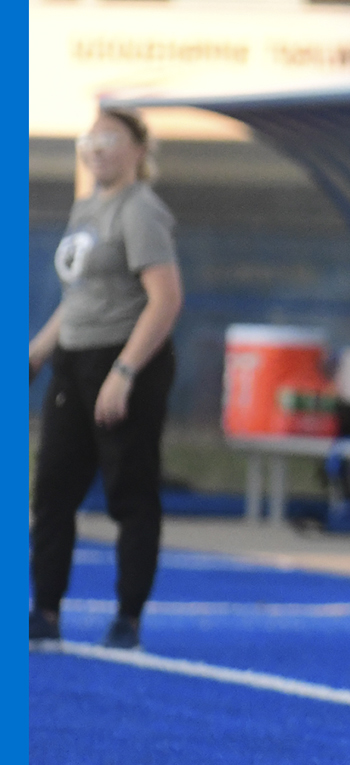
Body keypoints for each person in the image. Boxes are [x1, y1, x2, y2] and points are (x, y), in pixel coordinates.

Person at [29, 108, 185, 651]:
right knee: (52, 489)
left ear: (138, 150)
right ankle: (45, 611)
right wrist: (39, 351)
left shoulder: (140, 210)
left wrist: (124, 373)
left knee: (130, 494)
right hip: (75, 359)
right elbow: (79, 298)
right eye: (90, 138)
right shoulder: (86, 207)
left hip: (125, 360)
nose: (96, 147)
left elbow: (165, 301)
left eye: (110, 138)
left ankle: (128, 617)